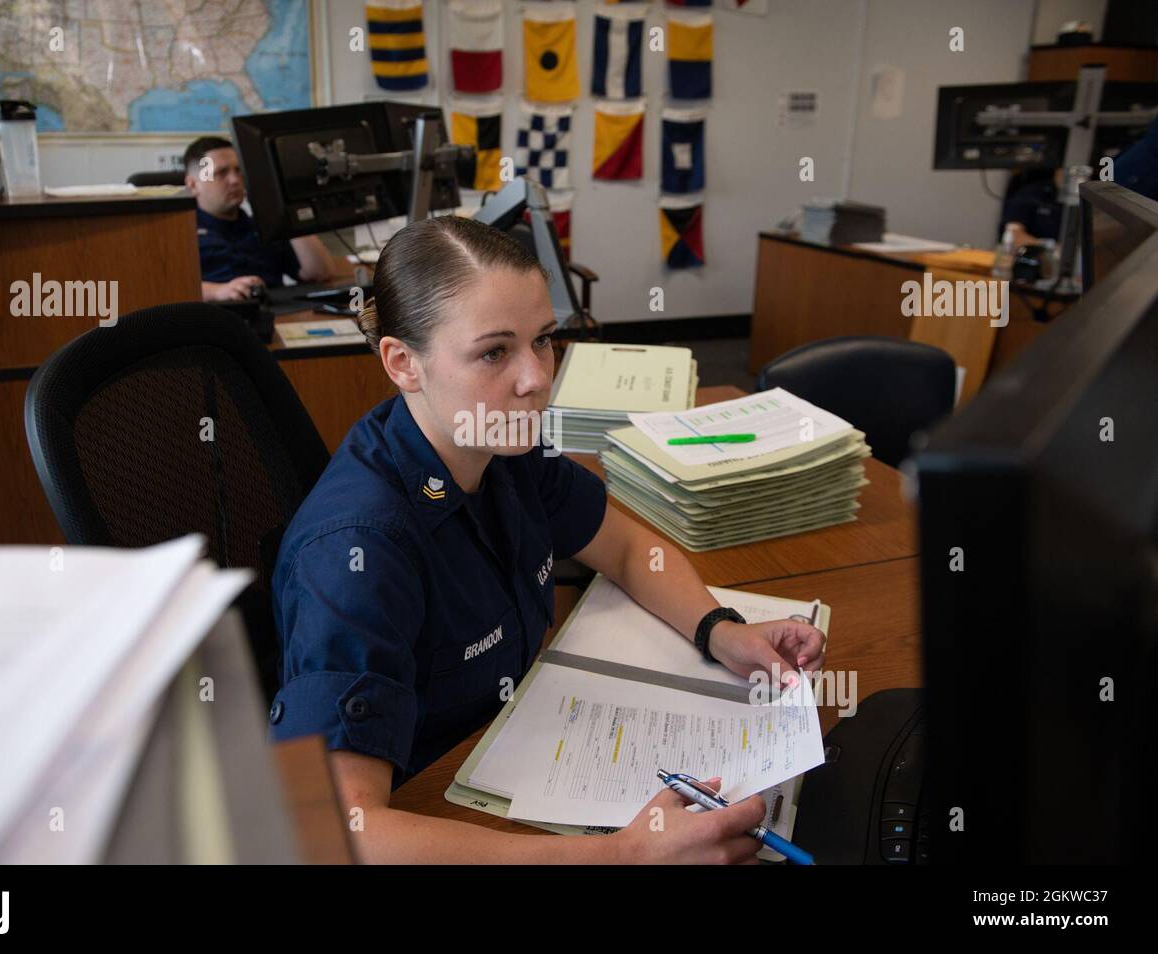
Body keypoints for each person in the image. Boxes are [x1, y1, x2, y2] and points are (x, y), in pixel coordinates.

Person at [268, 216, 826, 864]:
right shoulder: (356, 552)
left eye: (544, 340)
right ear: (403, 363)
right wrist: (624, 857)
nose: (536, 379)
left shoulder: (500, 446)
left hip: (513, 747)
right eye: (494, 352)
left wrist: (720, 631)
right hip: (433, 810)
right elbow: (345, 830)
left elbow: (624, 548)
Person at [181, 136, 336, 302]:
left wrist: (282, 210)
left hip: (275, 313)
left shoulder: (263, 225)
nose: (235, 180)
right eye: (221, 173)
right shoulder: (179, 232)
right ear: (193, 185)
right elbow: (164, 287)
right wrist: (218, 292)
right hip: (214, 316)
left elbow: (319, 272)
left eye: (238, 170)